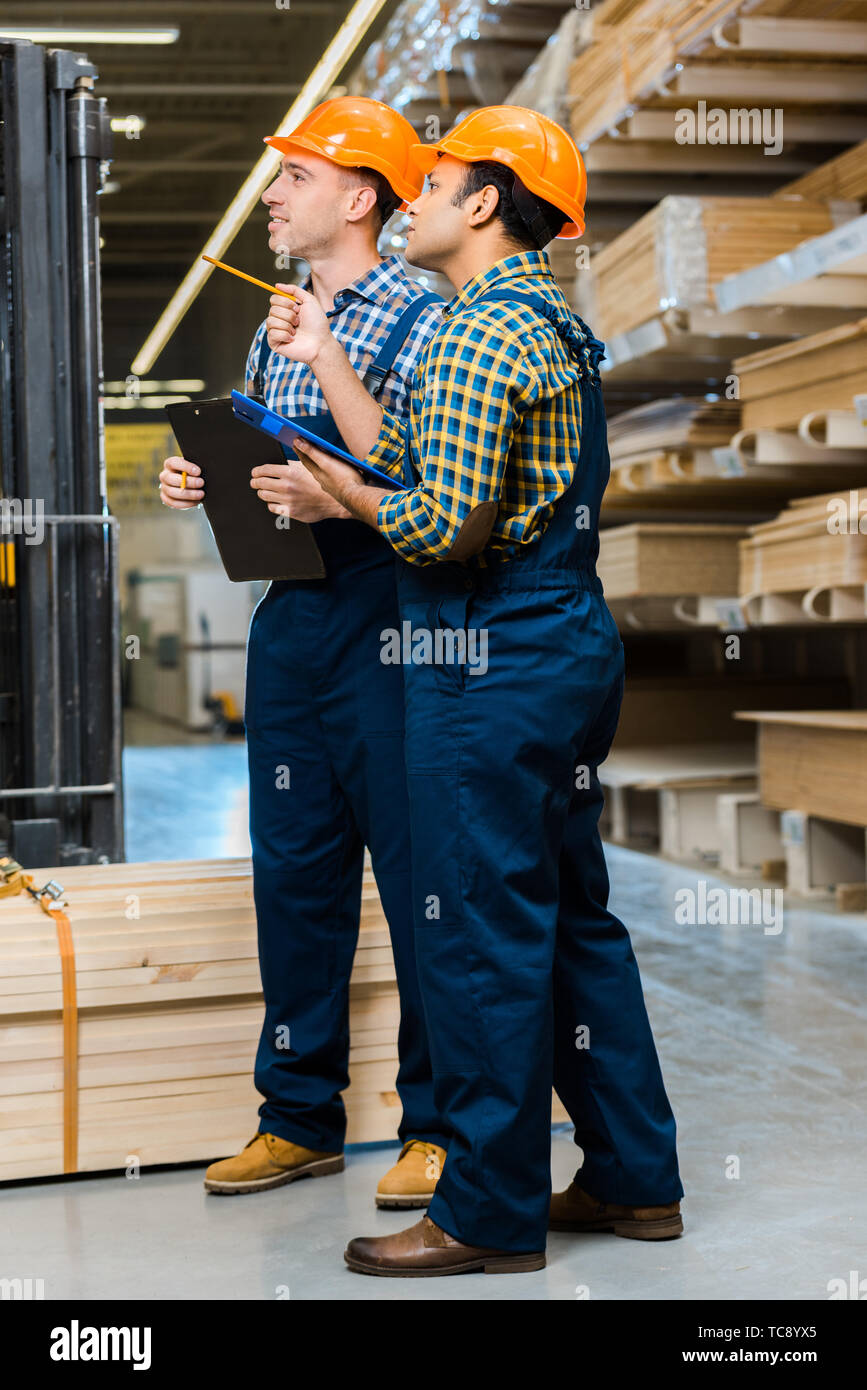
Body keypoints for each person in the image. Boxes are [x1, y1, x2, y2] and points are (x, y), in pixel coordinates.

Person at [268, 104, 684, 1276]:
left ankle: (487, 1211)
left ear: (485, 205)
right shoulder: (541, 319)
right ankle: (633, 1177)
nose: (418, 198)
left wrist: (335, 499)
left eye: (439, 180)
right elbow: (425, 460)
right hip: (560, 644)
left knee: (480, 936)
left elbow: (437, 526)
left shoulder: (471, 334)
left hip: (484, 653)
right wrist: (333, 386)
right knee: (571, 920)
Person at [158, 96, 450, 1207]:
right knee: (293, 870)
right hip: (289, 614)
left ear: (359, 194)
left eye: (293, 177)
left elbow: (430, 484)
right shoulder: (275, 317)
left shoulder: (424, 316)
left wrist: (336, 495)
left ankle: (437, 1123)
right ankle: (298, 1115)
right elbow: (265, 455)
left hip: (389, 609)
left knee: (417, 873)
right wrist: (206, 480)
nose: (272, 195)